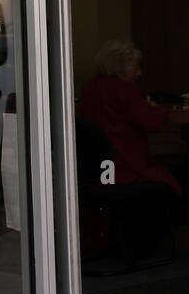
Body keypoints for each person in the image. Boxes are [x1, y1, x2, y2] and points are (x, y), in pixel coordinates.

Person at [78, 39, 182, 196]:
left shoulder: (88, 89)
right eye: (136, 67)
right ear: (121, 66)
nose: (139, 73)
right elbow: (152, 122)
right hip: (125, 169)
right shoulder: (124, 89)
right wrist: (159, 109)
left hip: (97, 172)